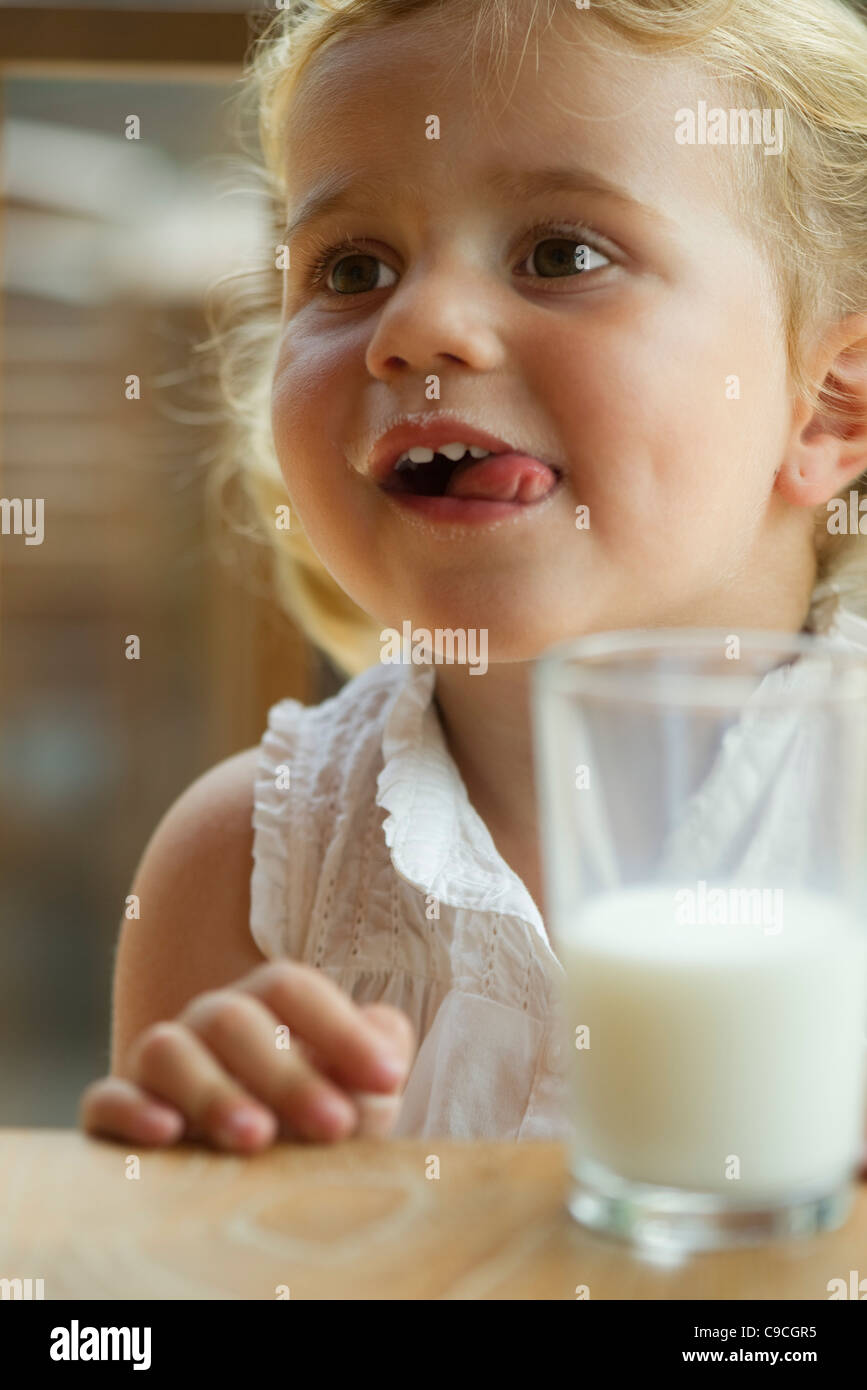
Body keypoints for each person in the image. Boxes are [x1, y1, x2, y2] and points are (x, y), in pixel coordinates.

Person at [80, 0, 867, 1161]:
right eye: (351, 267)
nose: (418, 325)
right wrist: (240, 1202)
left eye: (563, 254)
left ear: (829, 407)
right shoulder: (243, 867)